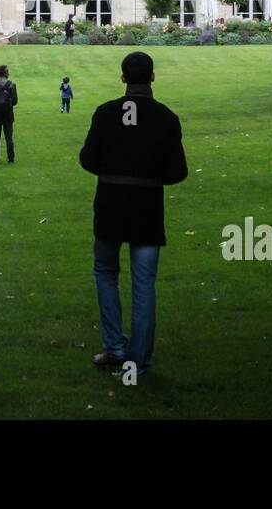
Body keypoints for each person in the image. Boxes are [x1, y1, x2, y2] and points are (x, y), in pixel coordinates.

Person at [79, 52, 188, 377]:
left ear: (122, 78)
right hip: (147, 206)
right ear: (152, 77)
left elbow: (88, 160)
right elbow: (177, 172)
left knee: (105, 272)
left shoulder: (106, 113)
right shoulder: (166, 117)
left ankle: (115, 346)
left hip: (111, 202)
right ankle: (137, 359)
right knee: (143, 284)